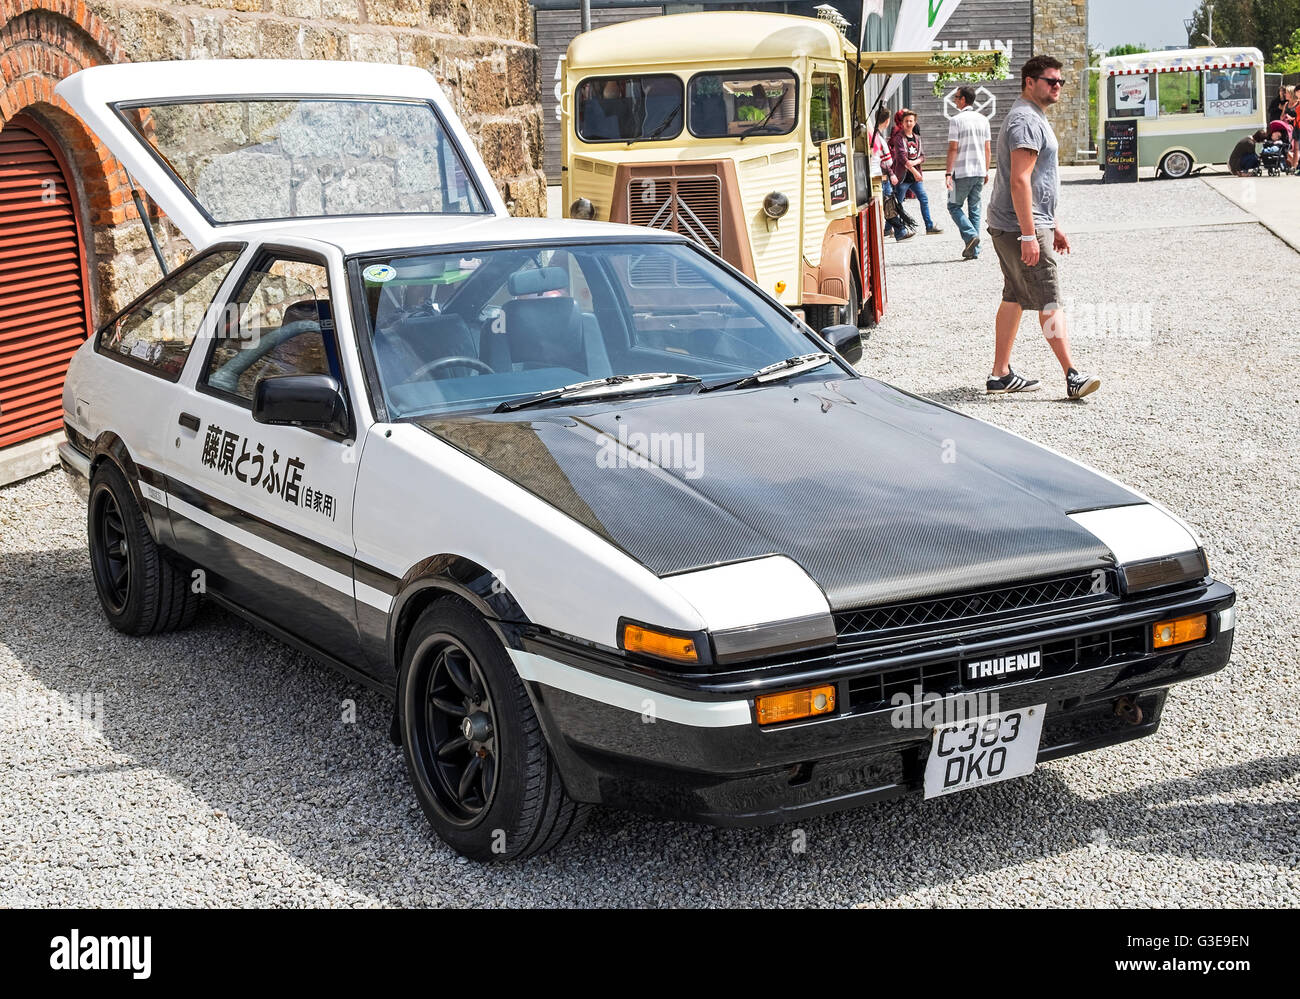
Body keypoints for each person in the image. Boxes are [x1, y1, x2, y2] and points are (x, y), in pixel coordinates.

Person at [985, 54, 1100, 400]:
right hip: (1020, 226)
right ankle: (1072, 375)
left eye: (1060, 82)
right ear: (1029, 82)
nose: (1057, 87)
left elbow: (1036, 181)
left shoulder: (1033, 116)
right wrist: (1030, 234)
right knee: (1050, 299)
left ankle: (999, 374)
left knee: (1015, 296)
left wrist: (1053, 225)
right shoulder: (1026, 120)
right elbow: (1020, 181)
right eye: (1051, 81)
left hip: (1021, 223)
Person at [945, 85, 991, 259]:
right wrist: (986, 170)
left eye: (956, 97)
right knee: (975, 209)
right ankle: (974, 250)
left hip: (962, 171)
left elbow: (953, 149)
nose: (955, 100)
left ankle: (971, 236)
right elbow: (988, 149)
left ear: (964, 99)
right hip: (979, 170)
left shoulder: (956, 120)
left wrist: (948, 173)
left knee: (953, 205)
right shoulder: (983, 120)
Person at [890, 108, 942, 235]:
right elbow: (902, 158)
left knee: (923, 199)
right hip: (903, 178)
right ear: (902, 123)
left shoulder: (917, 138)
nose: (909, 123)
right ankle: (889, 228)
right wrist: (915, 171)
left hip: (914, 178)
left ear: (915, 122)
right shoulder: (899, 139)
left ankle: (929, 226)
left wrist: (914, 163)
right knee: (898, 203)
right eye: (906, 121)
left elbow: (922, 156)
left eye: (911, 121)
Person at [872, 107, 913, 241]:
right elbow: (883, 161)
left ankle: (897, 231)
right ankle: (899, 230)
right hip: (881, 176)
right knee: (889, 205)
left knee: (889, 205)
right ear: (888, 120)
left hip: (880, 175)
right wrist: (891, 174)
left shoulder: (874, 135)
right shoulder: (877, 137)